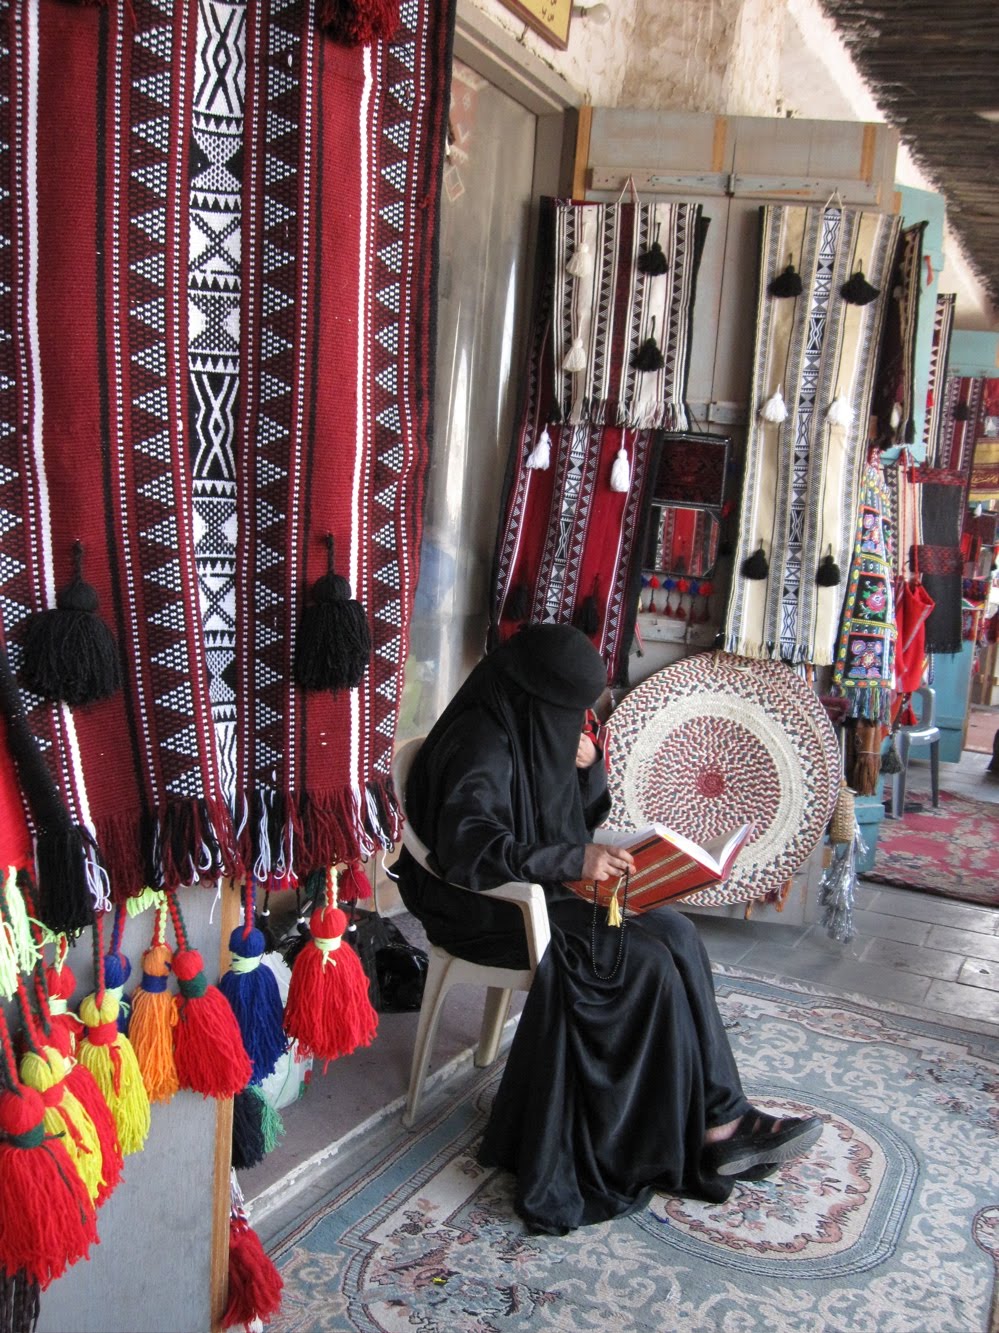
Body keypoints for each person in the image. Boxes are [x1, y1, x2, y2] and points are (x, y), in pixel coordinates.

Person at [396, 623, 821, 1236]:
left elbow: (577, 816)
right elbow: (470, 850)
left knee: (676, 934)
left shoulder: (530, 723)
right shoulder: (480, 740)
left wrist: (587, 768)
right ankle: (666, 1137)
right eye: (565, 712)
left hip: (539, 888)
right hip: (483, 908)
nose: (570, 724)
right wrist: (574, 861)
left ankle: (722, 1118)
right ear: (537, 697)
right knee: (641, 963)